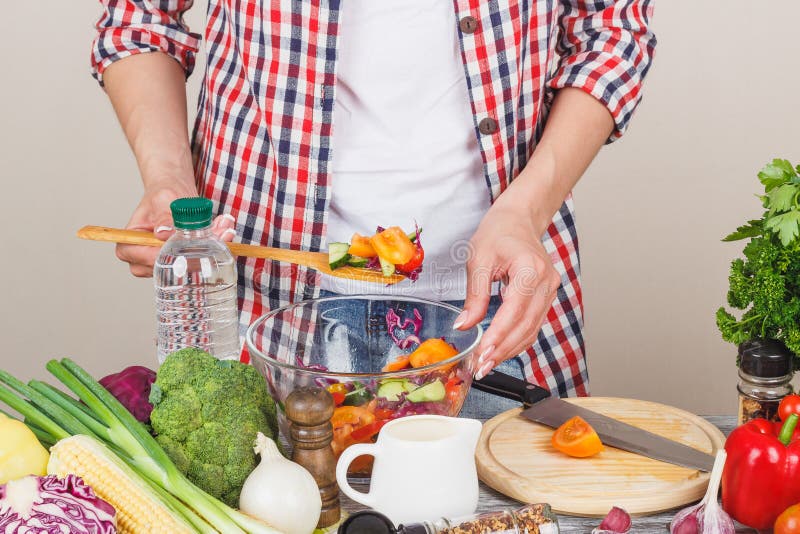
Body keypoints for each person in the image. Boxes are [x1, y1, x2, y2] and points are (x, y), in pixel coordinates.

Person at [92, 0, 655, 418]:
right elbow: (140, 18)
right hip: (270, 303)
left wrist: (526, 213)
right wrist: (168, 181)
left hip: (501, 309)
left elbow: (611, 31)